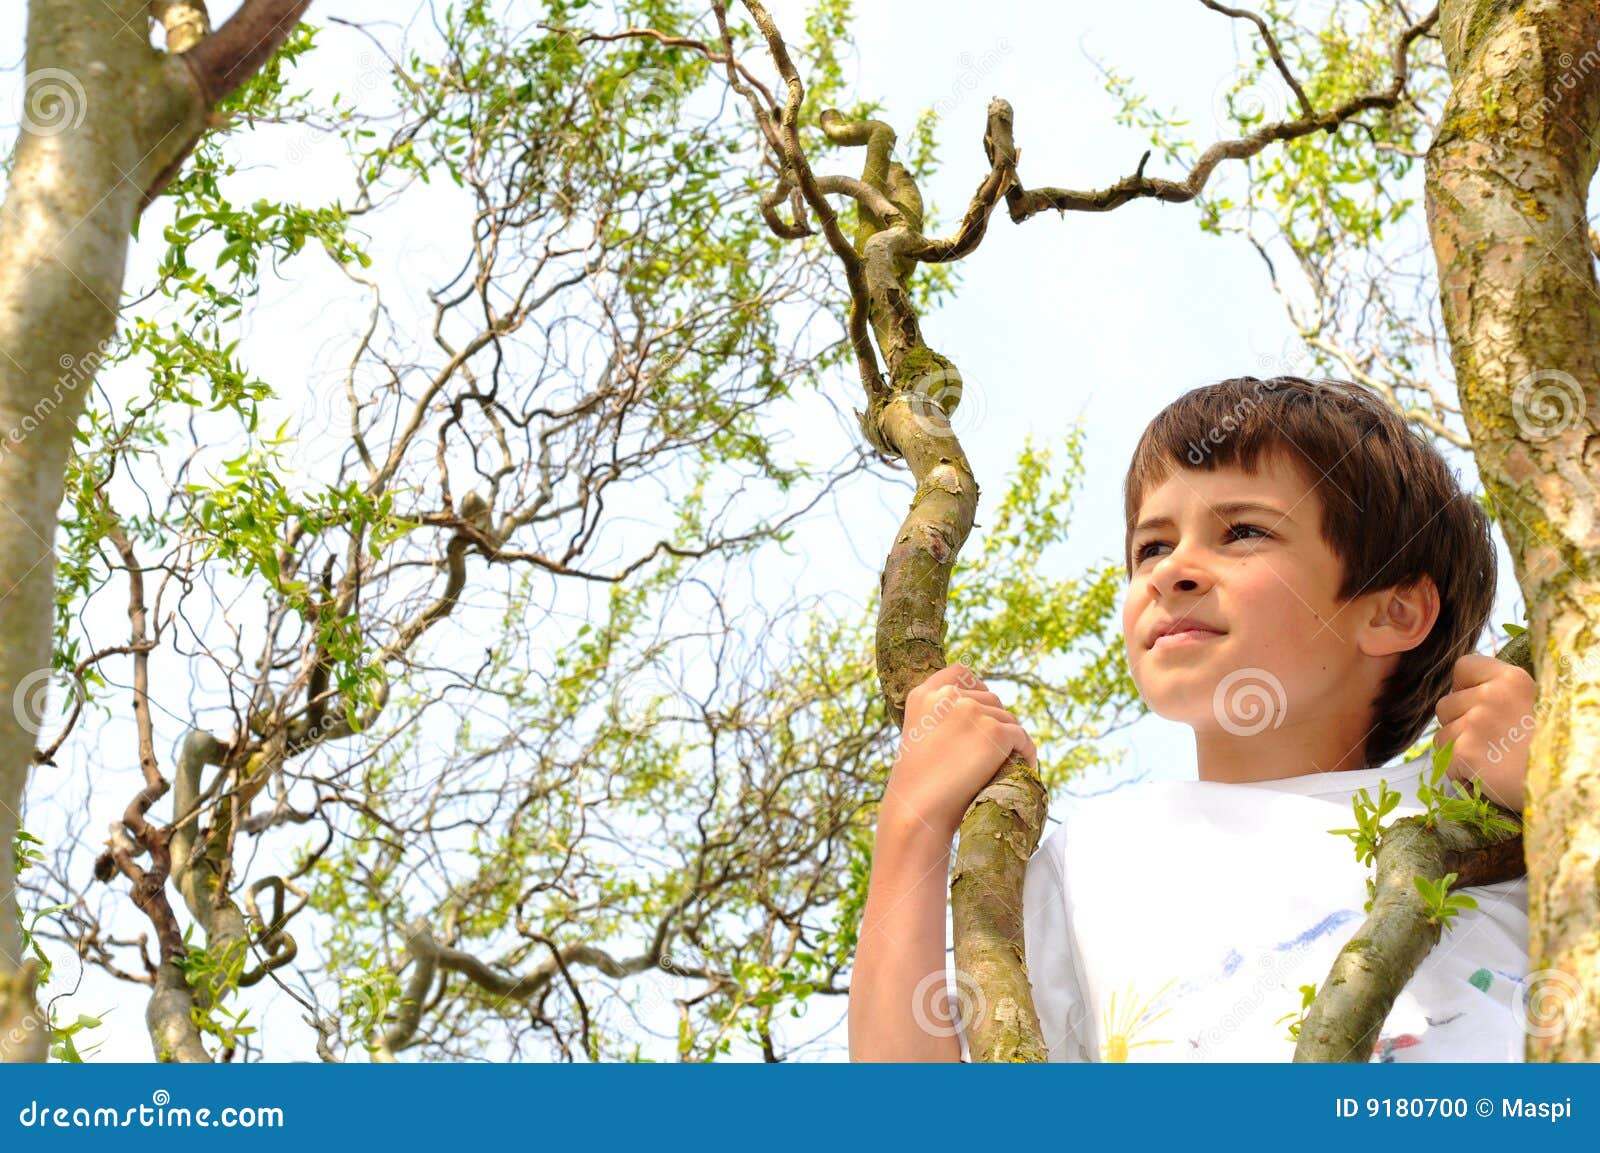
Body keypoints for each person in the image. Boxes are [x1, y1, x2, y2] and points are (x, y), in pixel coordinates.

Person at [847, 375, 1538, 1062]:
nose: (1171, 571)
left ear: (1393, 613)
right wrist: (912, 823)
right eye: (1151, 546)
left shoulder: (1494, 815)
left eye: (1243, 532)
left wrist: (1553, 789)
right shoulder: (1091, 864)